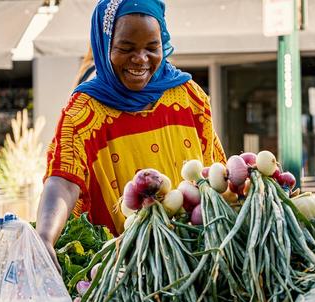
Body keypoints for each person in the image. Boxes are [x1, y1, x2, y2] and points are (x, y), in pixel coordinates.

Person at [37, 0, 226, 266]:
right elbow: (64, 180)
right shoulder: (84, 111)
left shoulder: (189, 97)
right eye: (126, 48)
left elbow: (215, 169)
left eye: (152, 47)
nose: (140, 59)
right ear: (104, 46)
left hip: (198, 258)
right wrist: (44, 238)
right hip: (121, 270)